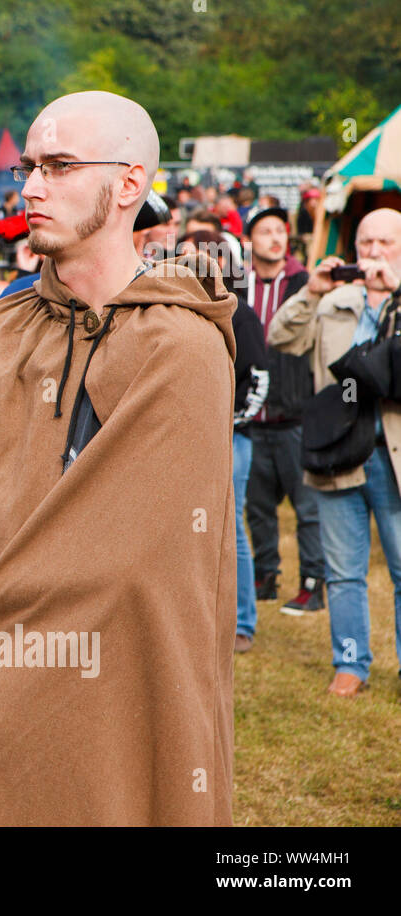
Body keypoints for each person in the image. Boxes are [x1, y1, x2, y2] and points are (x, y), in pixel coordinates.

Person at [0, 90, 236, 825]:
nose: (29, 187)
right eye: (29, 166)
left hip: (112, 681)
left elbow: (139, 547)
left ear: (128, 184)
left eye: (59, 165)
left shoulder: (182, 347)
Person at [267, 208, 401, 697]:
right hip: (339, 446)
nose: (374, 252)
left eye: (386, 242)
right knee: (343, 570)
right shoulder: (333, 302)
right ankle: (350, 663)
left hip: (392, 448)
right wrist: (313, 289)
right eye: (366, 243)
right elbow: (280, 336)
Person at [178, 231, 269, 652]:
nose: (188, 267)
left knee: (231, 533)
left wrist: (224, 424)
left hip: (230, 442)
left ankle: (242, 623)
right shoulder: (172, 313)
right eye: (182, 258)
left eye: (199, 259)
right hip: (184, 444)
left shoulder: (241, 316)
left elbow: (257, 383)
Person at [240, 205, 324, 613]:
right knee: (258, 507)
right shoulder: (239, 284)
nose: (275, 238)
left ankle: (312, 581)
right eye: (265, 231)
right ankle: (265, 575)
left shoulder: (305, 282)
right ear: (249, 240)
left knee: (306, 506)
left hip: (295, 412)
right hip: (253, 416)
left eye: (280, 231)